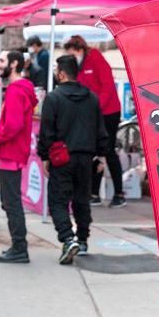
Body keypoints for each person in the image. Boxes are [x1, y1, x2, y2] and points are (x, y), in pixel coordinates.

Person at [37, 55, 109, 265]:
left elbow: (47, 132)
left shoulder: (53, 98)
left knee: (58, 200)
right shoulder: (92, 98)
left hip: (61, 157)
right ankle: (83, 239)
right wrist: (102, 155)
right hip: (86, 157)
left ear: (61, 74)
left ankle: (68, 238)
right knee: (81, 199)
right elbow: (100, 129)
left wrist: (45, 156)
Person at [0, 51, 38, 264]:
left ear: (13, 64)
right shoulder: (21, 88)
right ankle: (18, 246)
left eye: (2, 61)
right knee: (9, 201)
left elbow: (12, 127)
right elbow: (10, 124)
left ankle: (19, 248)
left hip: (10, 153)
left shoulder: (15, 90)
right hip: (12, 152)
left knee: (11, 203)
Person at [64, 35, 124, 207]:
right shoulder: (78, 67)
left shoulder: (96, 58)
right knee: (94, 150)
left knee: (108, 150)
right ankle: (94, 193)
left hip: (109, 111)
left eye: (73, 54)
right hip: (92, 113)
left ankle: (119, 193)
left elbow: (107, 87)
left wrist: (94, 108)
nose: (72, 58)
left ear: (80, 50)